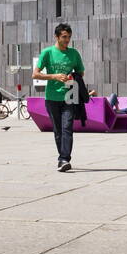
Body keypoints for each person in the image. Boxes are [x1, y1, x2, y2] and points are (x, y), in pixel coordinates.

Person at [33, 23, 83, 172]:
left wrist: (72, 77)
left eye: (69, 37)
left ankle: (64, 159)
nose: (67, 40)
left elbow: (80, 73)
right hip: (52, 97)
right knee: (58, 130)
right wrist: (54, 76)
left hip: (70, 94)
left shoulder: (74, 53)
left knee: (67, 128)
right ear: (56, 37)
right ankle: (62, 158)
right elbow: (35, 74)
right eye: (64, 37)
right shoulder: (47, 53)